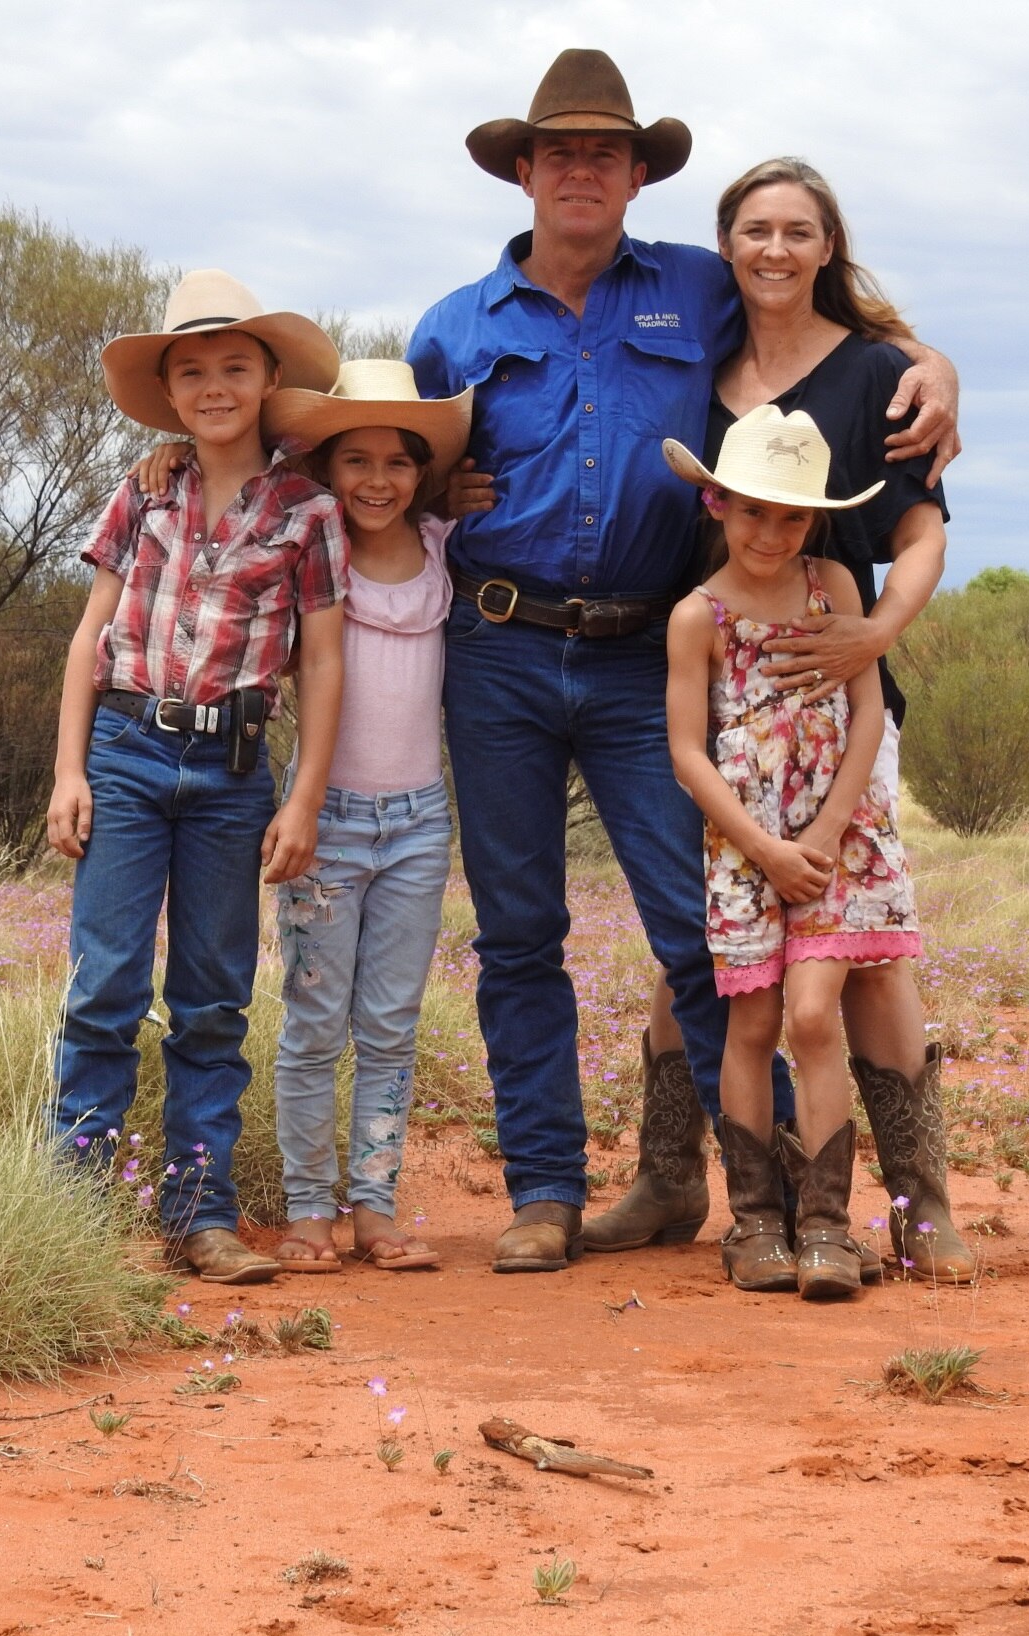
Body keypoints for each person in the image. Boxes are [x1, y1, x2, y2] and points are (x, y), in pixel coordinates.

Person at [405, 49, 960, 1273]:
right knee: (517, 935)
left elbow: (827, 321)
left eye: (608, 151)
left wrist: (936, 366)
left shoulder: (698, 291)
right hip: (495, 648)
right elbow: (383, 465)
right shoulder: (452, 330)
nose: (584, 169)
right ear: (525, 172)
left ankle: (765, 1207)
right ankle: (547, 1193)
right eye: (561, 152)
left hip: (643, 658)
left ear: (640, 174)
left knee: (702, 935)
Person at [596, 157, 976, 1280]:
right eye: (753, 230)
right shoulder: (697, 362)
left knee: (862, 962)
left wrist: (874, 634)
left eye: (797, 231)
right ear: (726, 247)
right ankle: (676, 1179)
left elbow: (919, 530)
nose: (774, 249)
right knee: (698, 942)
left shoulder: (876, 376)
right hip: (708, 699)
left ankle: (916, 1201)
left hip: (831, 689)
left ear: (829, 247)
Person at [46, 270, 347, 1287]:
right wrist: (67, 772)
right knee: (107, 986)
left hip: (231, 768)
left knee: (214, 999)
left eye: (233, 366)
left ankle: (200, 1211)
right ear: (170, 391)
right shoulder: (144, 488)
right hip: (126, 756)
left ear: (267, 377)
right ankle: (75, 1210)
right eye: (192, 371)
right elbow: (92, 632)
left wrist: (302, 796)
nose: (213, 386)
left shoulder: (310, 510)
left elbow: (327, 662)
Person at [662, 406, 920, 1296]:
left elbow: (868, 712)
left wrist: (822, 831)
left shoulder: (835, 588)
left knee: (815, 1018)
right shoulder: (698, 617)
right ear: (716, 505)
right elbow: (689, 750)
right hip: (745, 845)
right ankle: (756, 1221)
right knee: (755, 1022)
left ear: (815, 521)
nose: (771, 532)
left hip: (838, 837)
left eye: (793, 516)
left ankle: (826, 1224)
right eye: (753, 511)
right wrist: (765, 848)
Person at [260, 361, 473, 1272]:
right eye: (355, 460)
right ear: (323, 468)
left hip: (420, 824)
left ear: (423, 473)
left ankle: (375, 1209)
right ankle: (309, 1210)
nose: (376, 480)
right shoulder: (310, 545)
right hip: (324, 820)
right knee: (313, 1025)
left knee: (389, 1026)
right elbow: (225, 471)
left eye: (396, 461)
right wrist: (160, 458)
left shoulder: (444, 543)